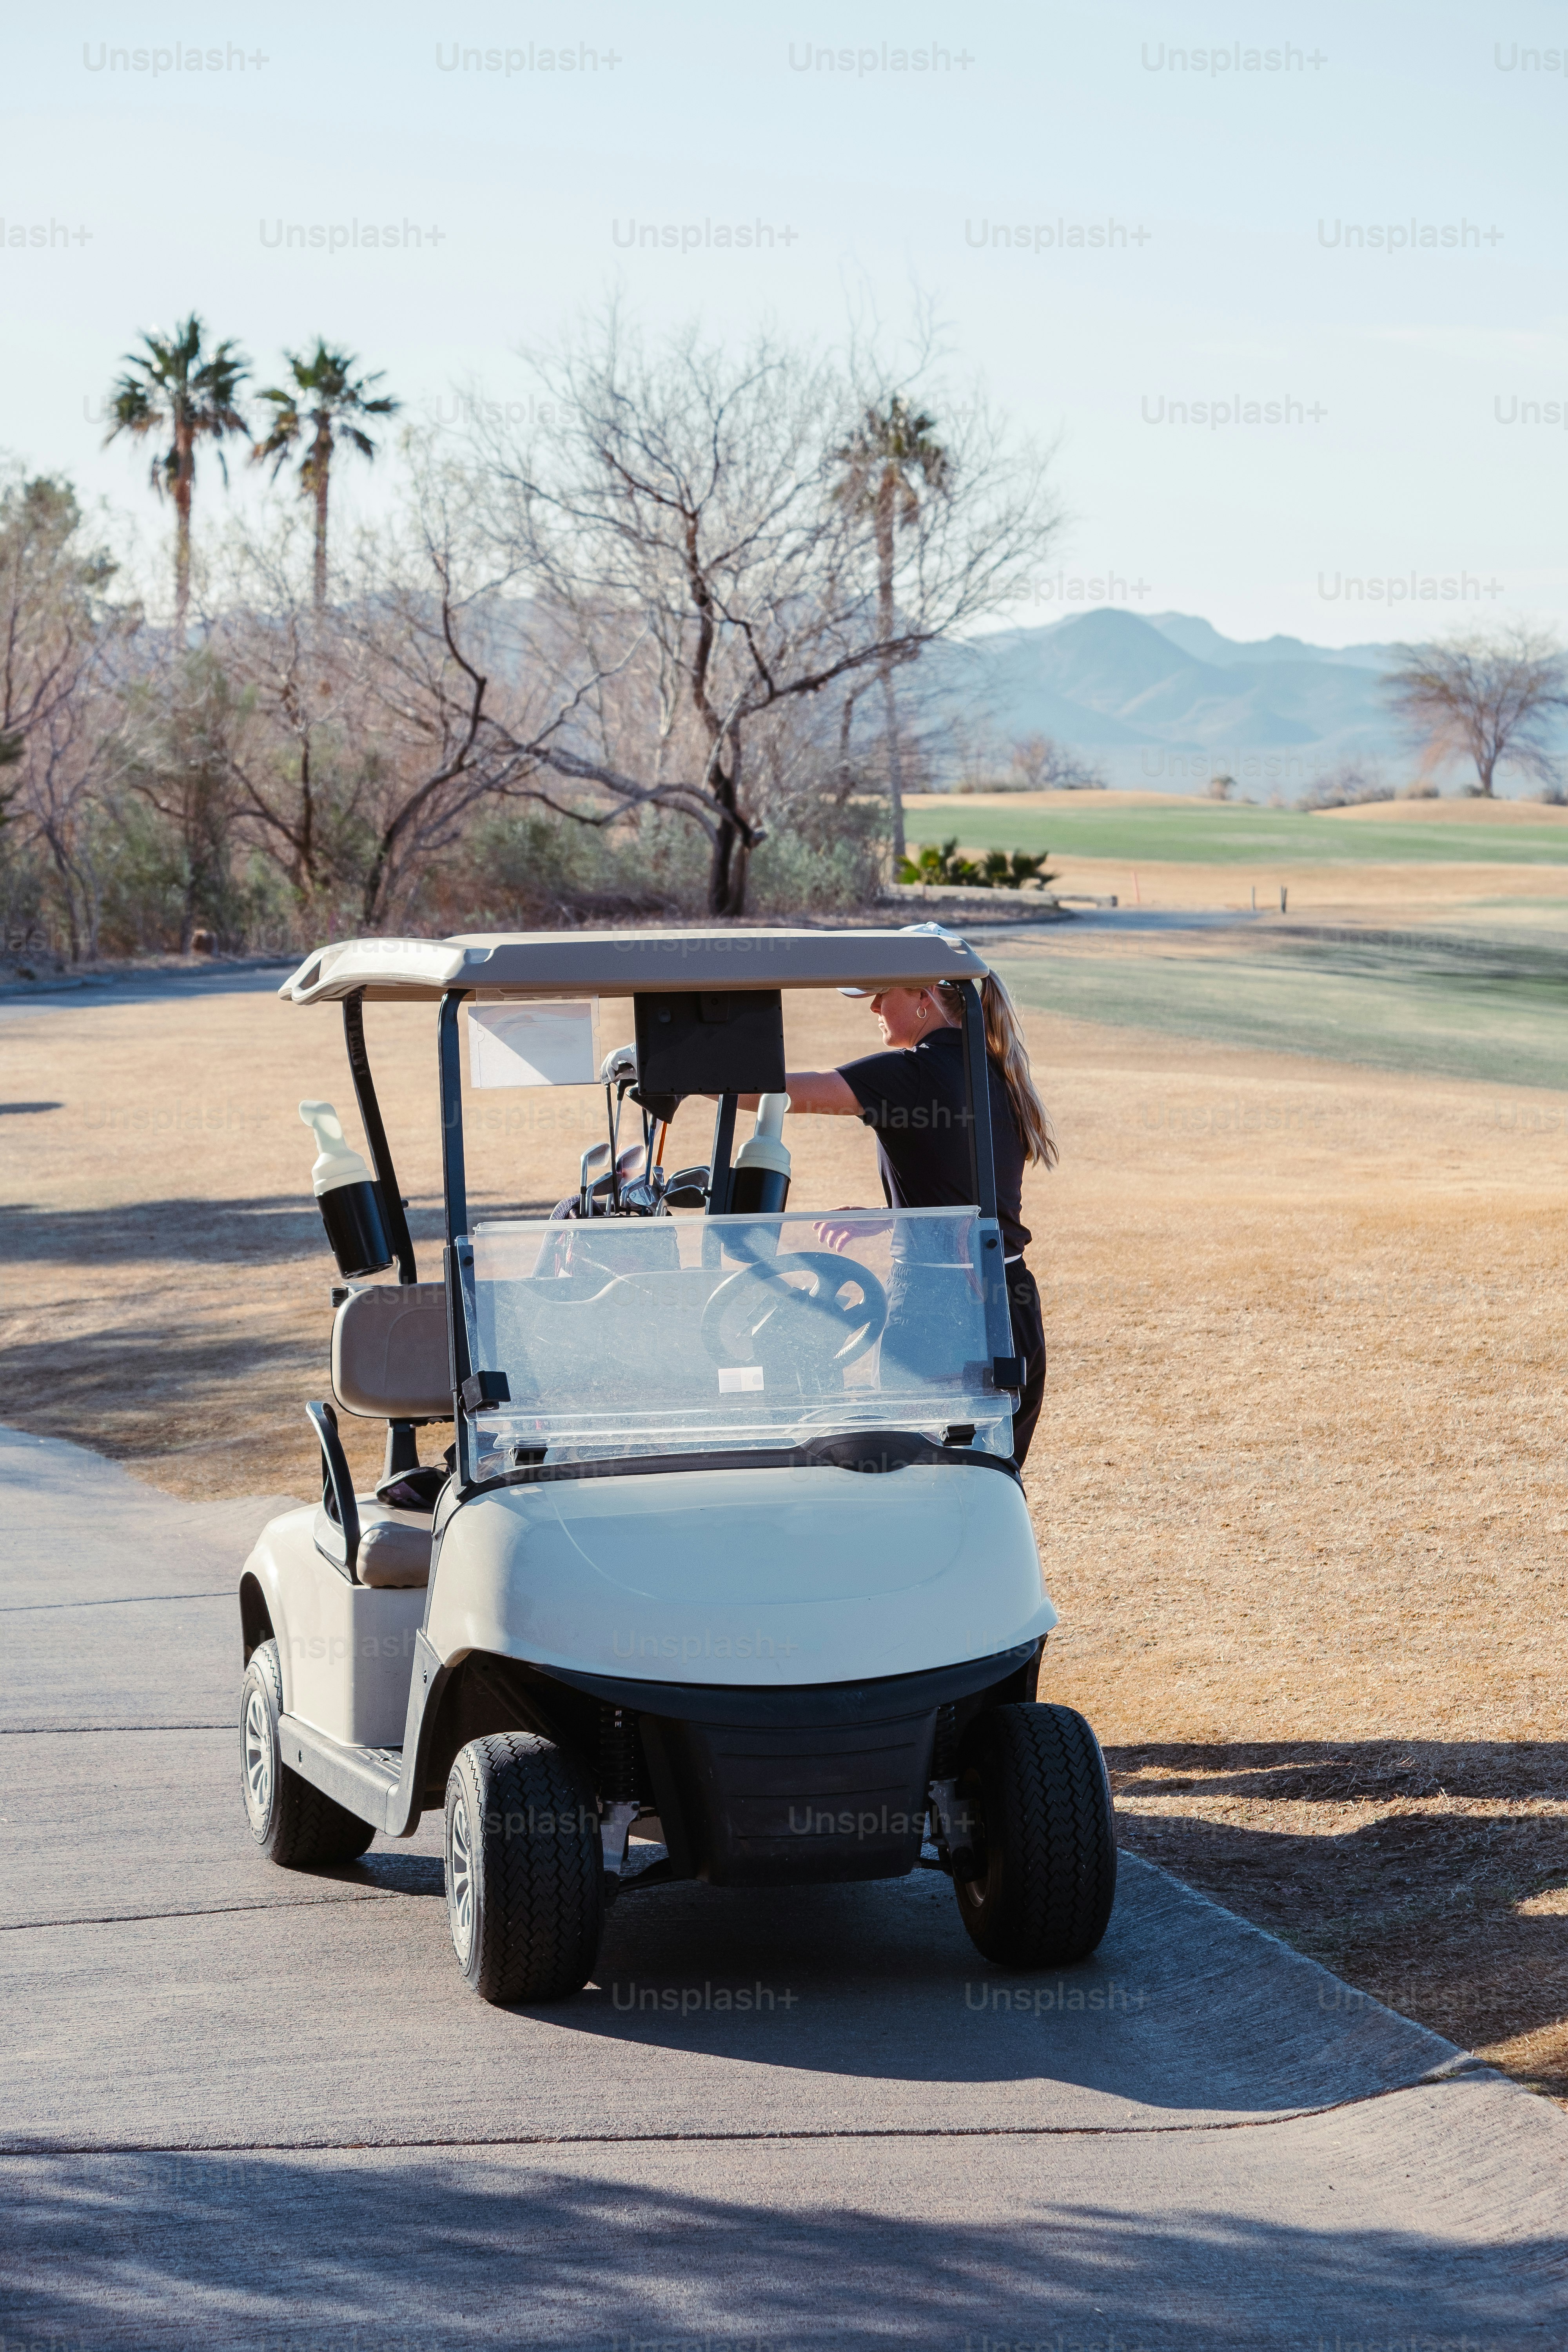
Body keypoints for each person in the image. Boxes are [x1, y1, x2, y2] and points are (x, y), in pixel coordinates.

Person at [775, 942, 1056, 1469]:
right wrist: (894, 1218)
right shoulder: (992, 1070)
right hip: (1010, 1303)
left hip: (940, 1313)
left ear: (925, 996)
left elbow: (774, 1093)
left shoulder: (915, 1074)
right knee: (989, 1482)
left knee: (918, 1486)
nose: (874, 1007)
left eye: (883, 993)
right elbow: (968, 1196)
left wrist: (692, 1073)